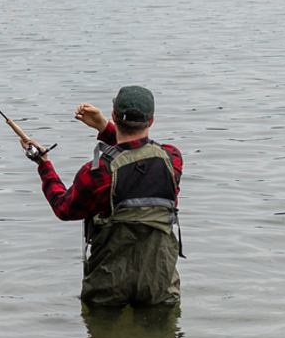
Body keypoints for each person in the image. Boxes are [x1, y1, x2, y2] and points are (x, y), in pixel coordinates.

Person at [25, 83, 182, 306]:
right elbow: (137, 153)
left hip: (108, 286)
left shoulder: (97, 173)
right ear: (152, 120)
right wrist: (104, 127)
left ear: (114, 115)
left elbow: (63, 208)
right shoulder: (172, 159)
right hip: (159, 283)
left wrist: (43, 164)